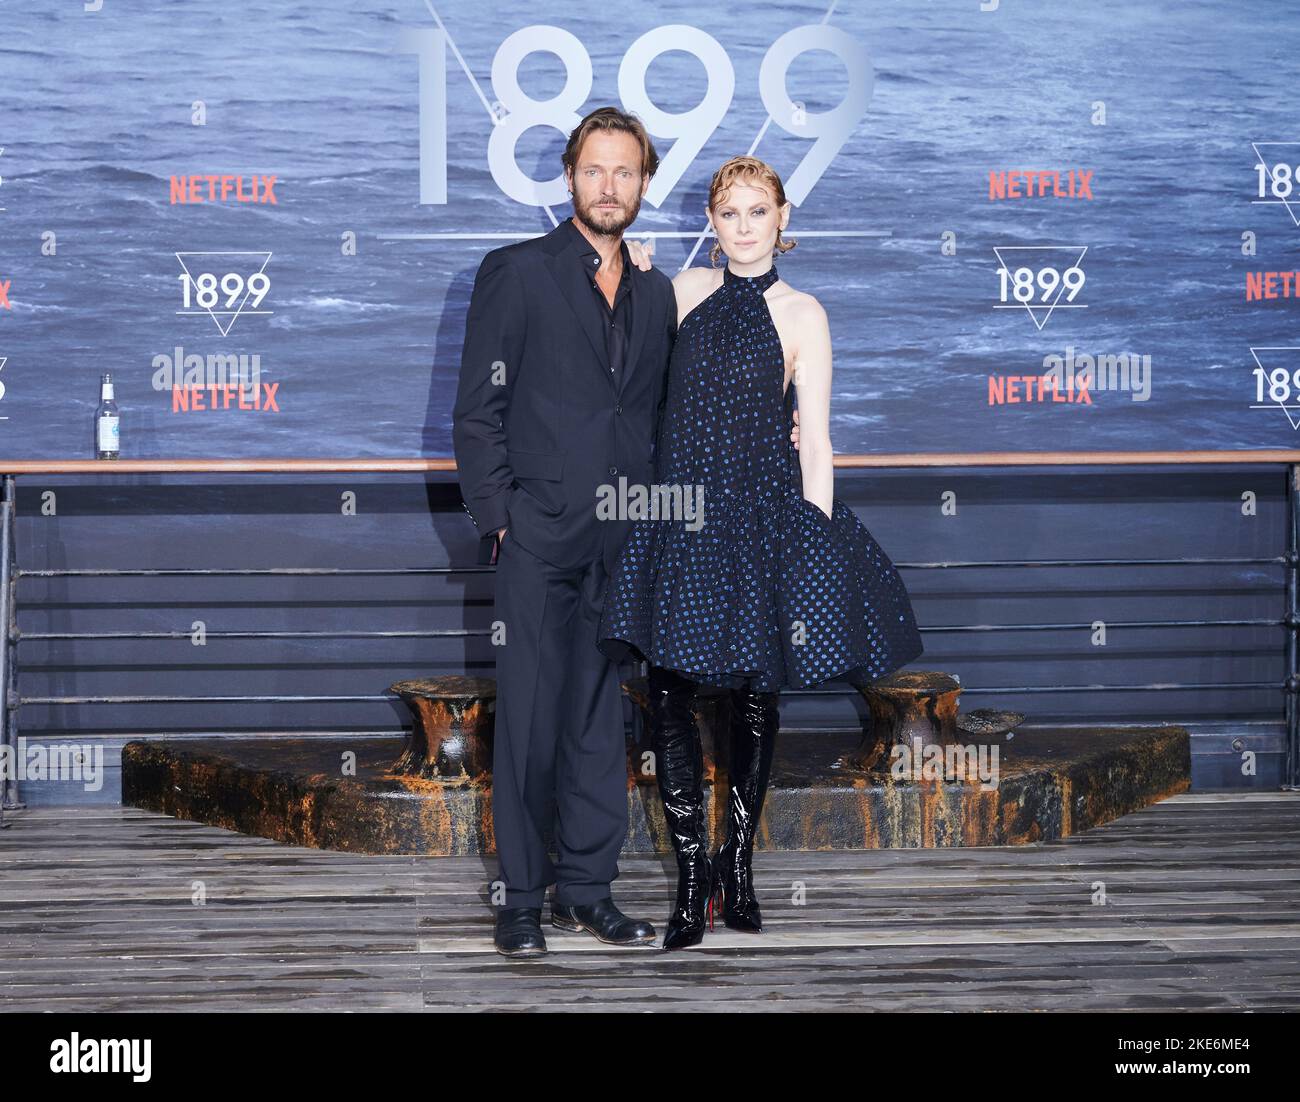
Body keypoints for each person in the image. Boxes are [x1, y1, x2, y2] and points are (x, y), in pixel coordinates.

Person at [597, 155, 925, 950]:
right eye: (729, 212)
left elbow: (816, 436)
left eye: (757, 211)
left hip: (762, 521)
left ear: (783, 219)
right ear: (711, 223)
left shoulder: (805, 313)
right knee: (669, 696)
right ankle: (686, 891)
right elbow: (621, 367)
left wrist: (812, 535)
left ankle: (736, 868)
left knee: (752, 697)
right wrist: (632, 271)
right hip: (681, 517)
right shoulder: (677, 295)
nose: (743, 226)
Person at [452, 107, 675, 957]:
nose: (609, 186)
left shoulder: (656, 291)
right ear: (569, 178)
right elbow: (478, 414)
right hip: (539, 539)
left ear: (644, 182)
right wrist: (502, 521)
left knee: (596, 726)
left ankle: (589, 891)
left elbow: (657, 415)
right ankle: (520, 902)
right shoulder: (517, 272)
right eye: (594, 171)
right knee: (530, 728)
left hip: (624, 542)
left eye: (625, 172)